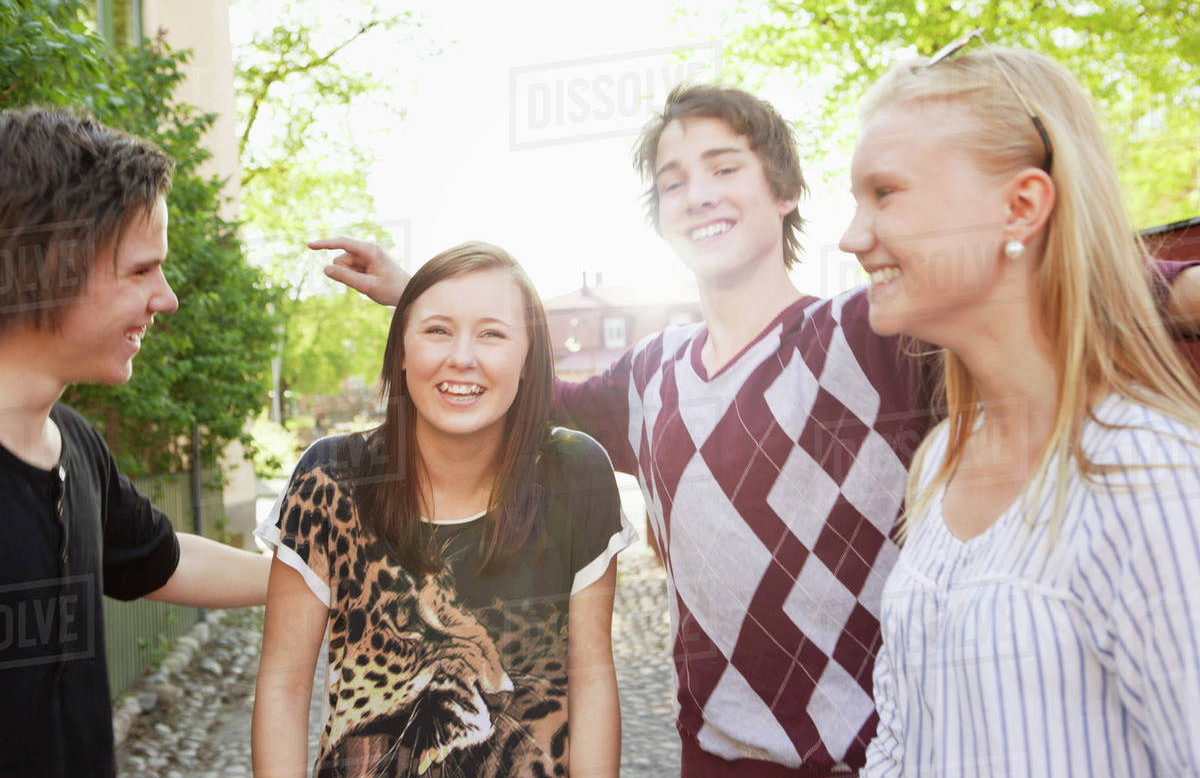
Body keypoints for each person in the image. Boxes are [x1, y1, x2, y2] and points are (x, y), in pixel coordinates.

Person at [311, 85, 1200, 776]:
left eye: (725, 165)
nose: (697, 192)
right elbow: (527, 389)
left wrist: (1177, 288)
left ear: (785, 192)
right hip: (719, 755)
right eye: (671, 181)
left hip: (882, 752)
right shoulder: (649, 376)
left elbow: (1042, 294)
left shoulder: (872, 333)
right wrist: (419, 295)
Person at [837, 36, 1200, 776]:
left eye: (887, 193)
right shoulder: (942, 458)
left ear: (1022, 206)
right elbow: (900, 743)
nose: (852, 237)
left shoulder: (1151, 474)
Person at [252, 242, 633, 777]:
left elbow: (592, 676)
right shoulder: (331, 476)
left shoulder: (575, 474)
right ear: (402, 349)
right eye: (436, 330)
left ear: (528, 358)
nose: (462, 356)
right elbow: (283, 684)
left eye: (493, 334)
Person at [0, 107, 271, 778]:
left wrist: (327, 579)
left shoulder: (76, 446)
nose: (167, 298)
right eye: (142, 271)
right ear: (51, 262)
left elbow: (162, 559)